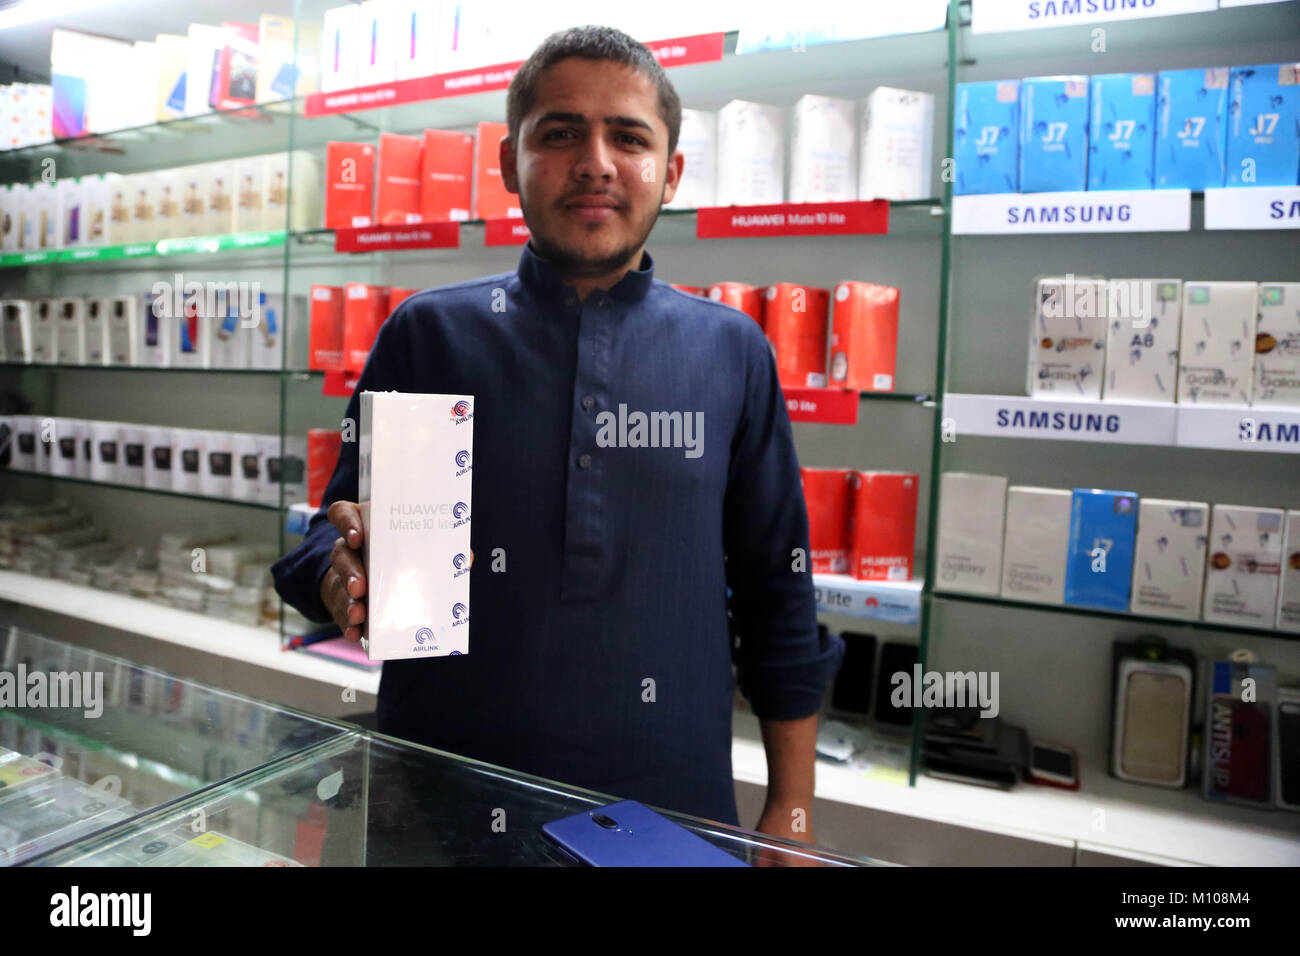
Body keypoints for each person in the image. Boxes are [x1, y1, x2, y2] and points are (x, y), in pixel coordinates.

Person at [272, 25, 843, 842]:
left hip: (667, 816)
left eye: (630, 137)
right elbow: (323, 541)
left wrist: (791, 811)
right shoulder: (427, 336)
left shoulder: (733, 354)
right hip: (438, 806)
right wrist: (338, 572)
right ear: (510, 163)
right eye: (561, 132)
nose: (596, 162)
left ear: (670, 173)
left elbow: (778, 595)